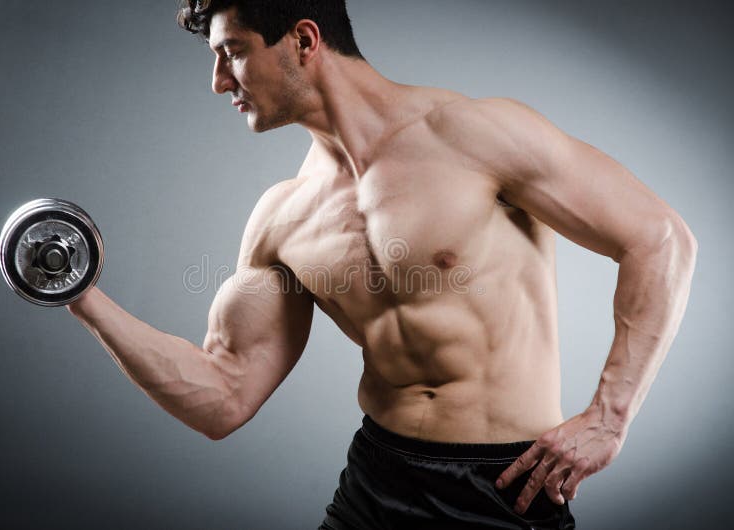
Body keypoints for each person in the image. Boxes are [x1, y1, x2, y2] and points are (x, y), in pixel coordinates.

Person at [67, 1, 698, 528]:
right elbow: (224, 397)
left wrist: (609, 420)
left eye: (231, 51)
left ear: (304, 39)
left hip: (508, 485)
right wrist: (82, 296)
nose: (218, 81)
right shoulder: (284, 216)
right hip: (377, 483)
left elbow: (660, 239)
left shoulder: (471, 136)